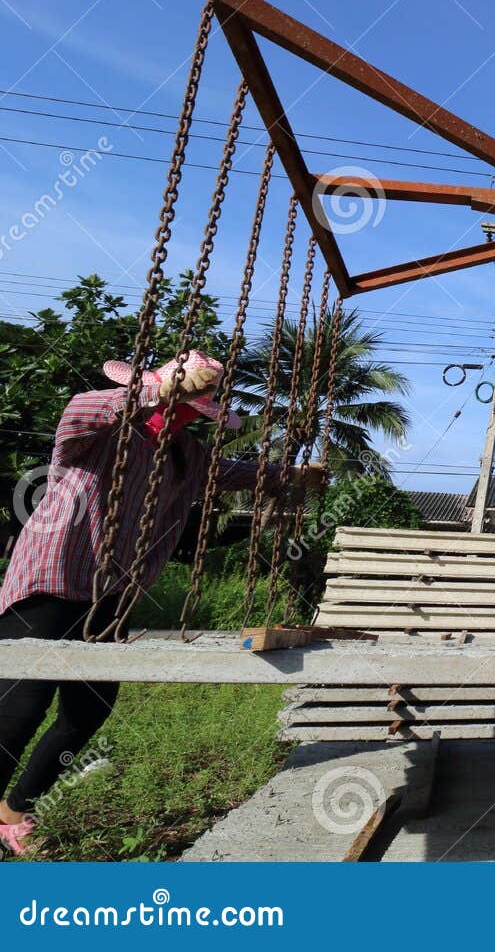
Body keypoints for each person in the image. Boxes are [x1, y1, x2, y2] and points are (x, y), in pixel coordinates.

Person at [0, 352, 321, 856]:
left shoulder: (184, 455)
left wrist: (294, 475)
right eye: (184, 402)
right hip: (51, 578)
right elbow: (79, 409)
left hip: (109, 596)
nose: (185, 415)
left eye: (196, 410)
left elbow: (238, 473)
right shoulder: (96, 430)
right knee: (19, 707)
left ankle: (16, 809)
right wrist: (162, 391)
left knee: (88, 711)